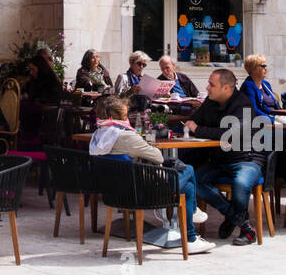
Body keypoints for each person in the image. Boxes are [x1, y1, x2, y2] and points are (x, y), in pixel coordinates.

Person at [87, 95, 212, 250]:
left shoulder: (99, 135)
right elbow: (158, 157)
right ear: (118, 116)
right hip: (141, 193)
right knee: (188, 169)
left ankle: (191, 239)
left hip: (114, 192)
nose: (128, 119)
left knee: (187, 189)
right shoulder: (125, 136)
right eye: (126, 115)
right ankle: (193, 213)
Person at [182, 69, 265, 247]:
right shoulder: (210, 101)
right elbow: (193, 120)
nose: (207, 88)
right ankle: (238, 219)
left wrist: (199, 130)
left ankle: (240, 226)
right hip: (219, 159)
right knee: (194, 181)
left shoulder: (243, 105)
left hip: (247, 159)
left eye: (212, 84)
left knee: (241, 184)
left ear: (226, 88)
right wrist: (197, 127)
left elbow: (231, 133)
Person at [239, 53, 279, 117]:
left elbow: (276, 105)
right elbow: (253, 110)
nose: (265, 69)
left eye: (265, 66)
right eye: (263, 66)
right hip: (261, 121)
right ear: (253, 69)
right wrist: (271, 119)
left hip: (274, 116)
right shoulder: (248, 86)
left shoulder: (266, 84)